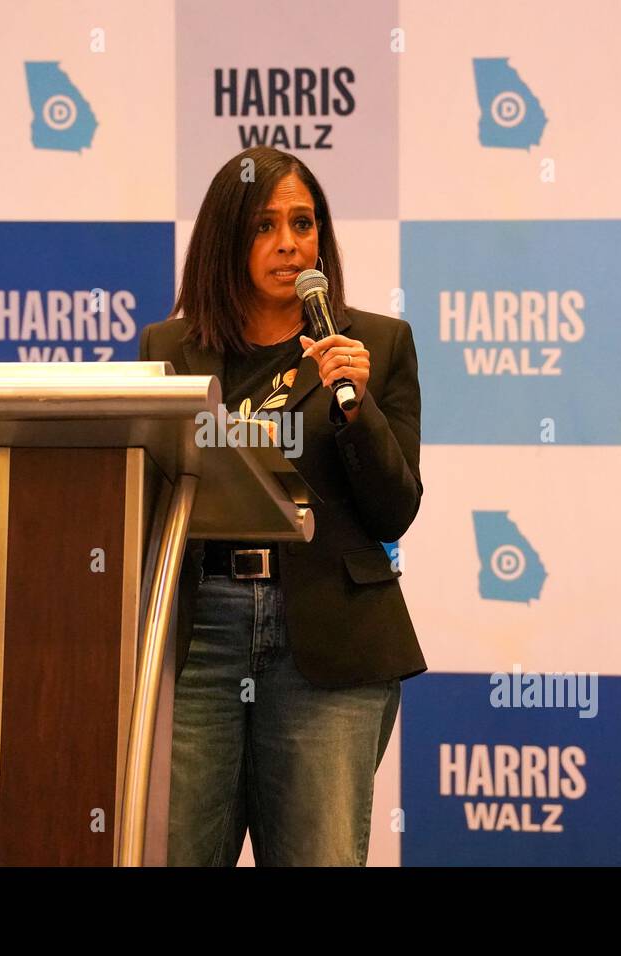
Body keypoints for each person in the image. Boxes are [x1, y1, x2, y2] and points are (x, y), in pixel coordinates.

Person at [138, 146, 427, 867]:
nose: (290, 243)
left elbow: (393, 511)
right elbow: (143, 494)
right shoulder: (169, 349)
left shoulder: (376, 346)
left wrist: (356, 412)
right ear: (225, 238)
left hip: (324, 642)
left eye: (304, 223)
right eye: (265, 225)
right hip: (198, 633)